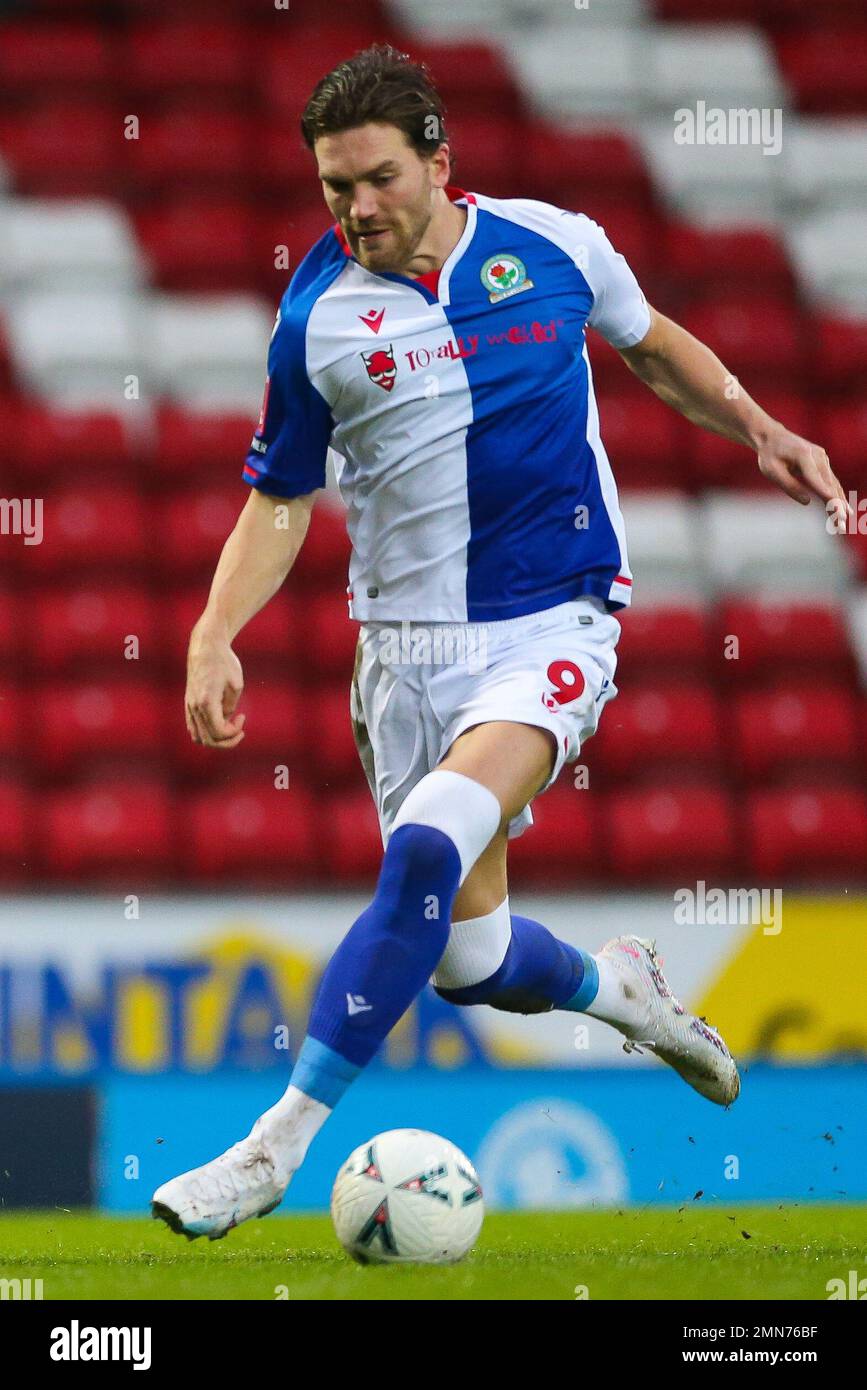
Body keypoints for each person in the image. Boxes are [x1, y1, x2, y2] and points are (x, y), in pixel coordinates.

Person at [152, 45, 848, 1240]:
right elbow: (279, 498)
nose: (356, 208)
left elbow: (650, 341)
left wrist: (760, 425)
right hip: (404, 653)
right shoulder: (317, 317)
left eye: (375, 179)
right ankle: (622, 992)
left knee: (424, 847)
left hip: (554, 619)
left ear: (438, 160)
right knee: (469, 959)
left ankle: (272, 1152)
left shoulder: (558, 244)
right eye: (333, 189)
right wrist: (216, 630)